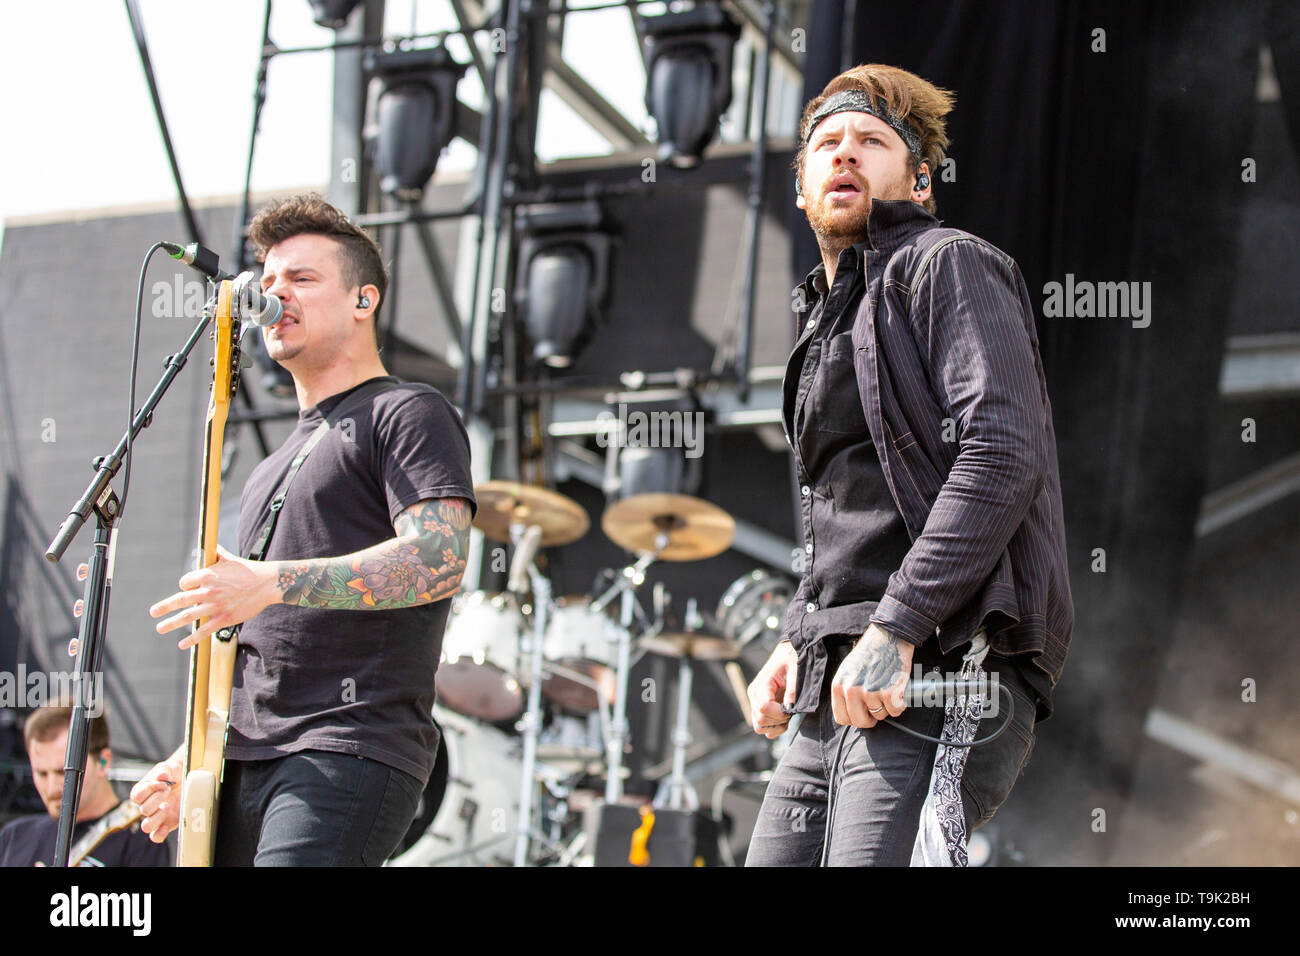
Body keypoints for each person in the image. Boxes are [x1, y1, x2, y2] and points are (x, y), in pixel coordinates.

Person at [745, 64, 1073, 866]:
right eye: (826, 144)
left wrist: (896, 627)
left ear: (919, 180)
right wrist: (799, 635)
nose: (844, 155)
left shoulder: (944, 262)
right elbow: (851, 518)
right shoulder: (822, 321)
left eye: (870, 141)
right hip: (841, 676)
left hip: (946, 663)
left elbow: (1002, 453)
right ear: (801, 188)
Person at [130, 194, 476, 866]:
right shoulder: (268, 470)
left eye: (301, 279)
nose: (274, 295)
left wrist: (270, 581)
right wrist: (193, 757)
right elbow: (257, 645)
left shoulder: (408, 412)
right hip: (242, 763)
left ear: (363, 300)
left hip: (345, 747)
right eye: (265, 284)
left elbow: (438, 559)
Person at [0, 705, 170, 866]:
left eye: (64, 773)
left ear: (103, 762)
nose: (52, 787)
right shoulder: (14, 837)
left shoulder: (140, 839)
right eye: (41, 773)